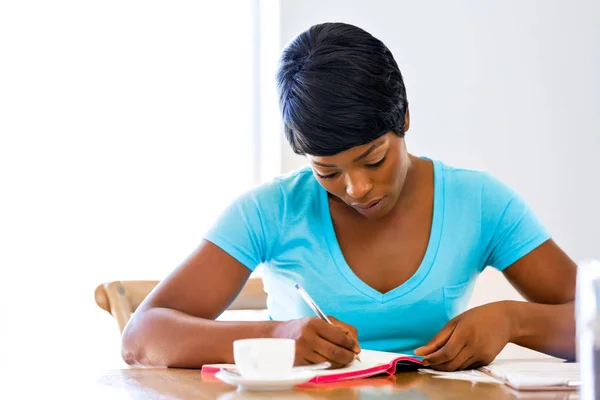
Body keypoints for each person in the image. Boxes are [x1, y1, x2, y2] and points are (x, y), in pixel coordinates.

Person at [121, 22, 576, 372]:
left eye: (374, 160)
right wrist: (277, 336)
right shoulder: (270, 210)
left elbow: (592, 320)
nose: (356, 188)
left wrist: (514, 321)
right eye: (327, 171)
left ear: (405, 119)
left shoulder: (479, 202)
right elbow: (141, 337)